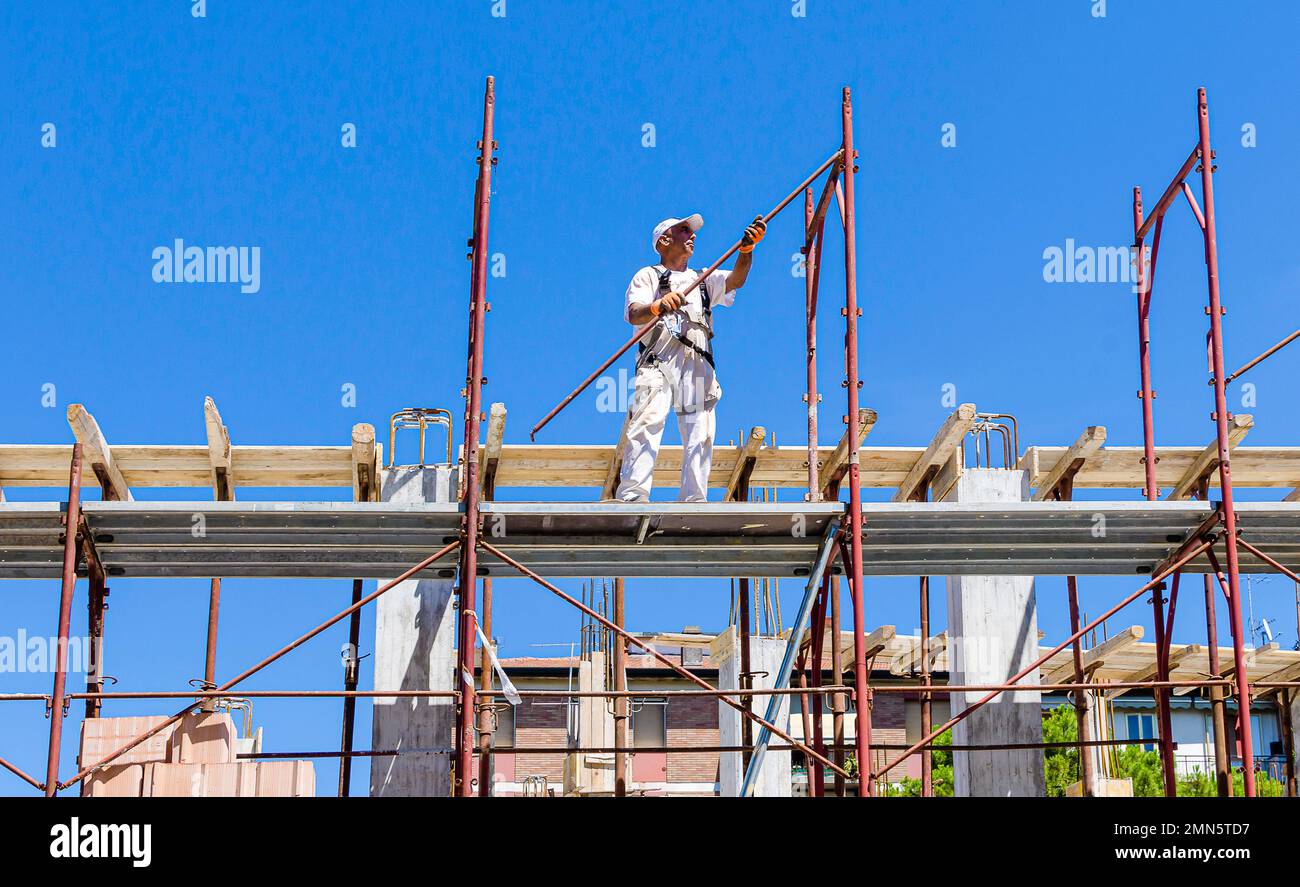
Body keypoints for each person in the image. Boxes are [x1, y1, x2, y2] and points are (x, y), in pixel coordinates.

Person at [615, 213, 766, 502]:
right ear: (664, 240)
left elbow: (736, 280)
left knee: (701, 434)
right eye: (684, 230)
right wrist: (658, 306)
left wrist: (746, 250)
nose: (692, 235)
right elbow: (633, 313)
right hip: (658, 361)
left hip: (697, 364)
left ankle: (694, 499)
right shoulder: (647, 275)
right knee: (647, 423)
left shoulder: (703, 279)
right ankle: (633, 497)